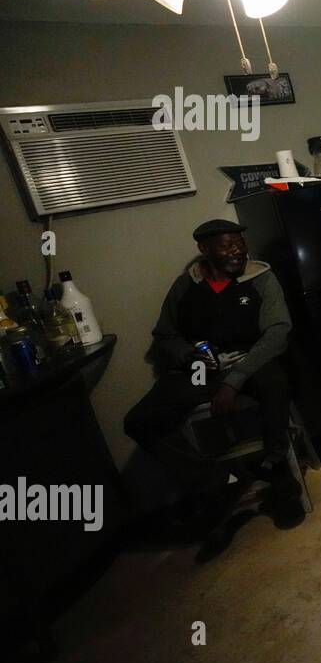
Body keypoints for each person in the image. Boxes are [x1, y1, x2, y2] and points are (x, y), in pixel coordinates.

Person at [125, 218, 304, 530]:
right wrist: (187, 354)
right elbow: (165, 334)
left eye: (240, 244)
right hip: (201, 369)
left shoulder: (261, 277)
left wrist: (233, 382)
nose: (238, 251)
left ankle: (281, 480)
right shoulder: (186, 285)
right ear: (204, 249)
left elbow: (277, 332)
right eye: (227, 245)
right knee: (140, 420)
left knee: (275, 384)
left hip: (251, 360)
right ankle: (215, 481)